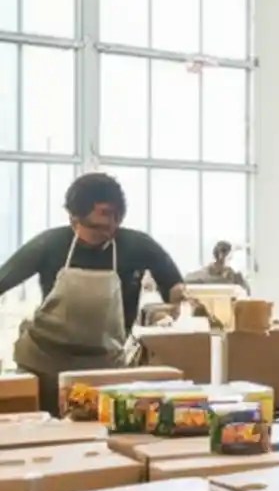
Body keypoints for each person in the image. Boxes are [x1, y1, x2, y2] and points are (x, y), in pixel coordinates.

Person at [0, 173, 190, 415]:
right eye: (96, 226)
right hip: (44, 365)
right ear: (73, 220)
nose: (107, 231)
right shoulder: (49, 245)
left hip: (105, 370)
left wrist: (178, 305)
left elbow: (175, 288)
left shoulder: (138, 246)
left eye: (113, 223)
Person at [184, 241, 250, 292]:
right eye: (230, 258)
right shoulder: (203, 274)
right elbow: (186, 281)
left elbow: (247, 291)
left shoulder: (234, 276)